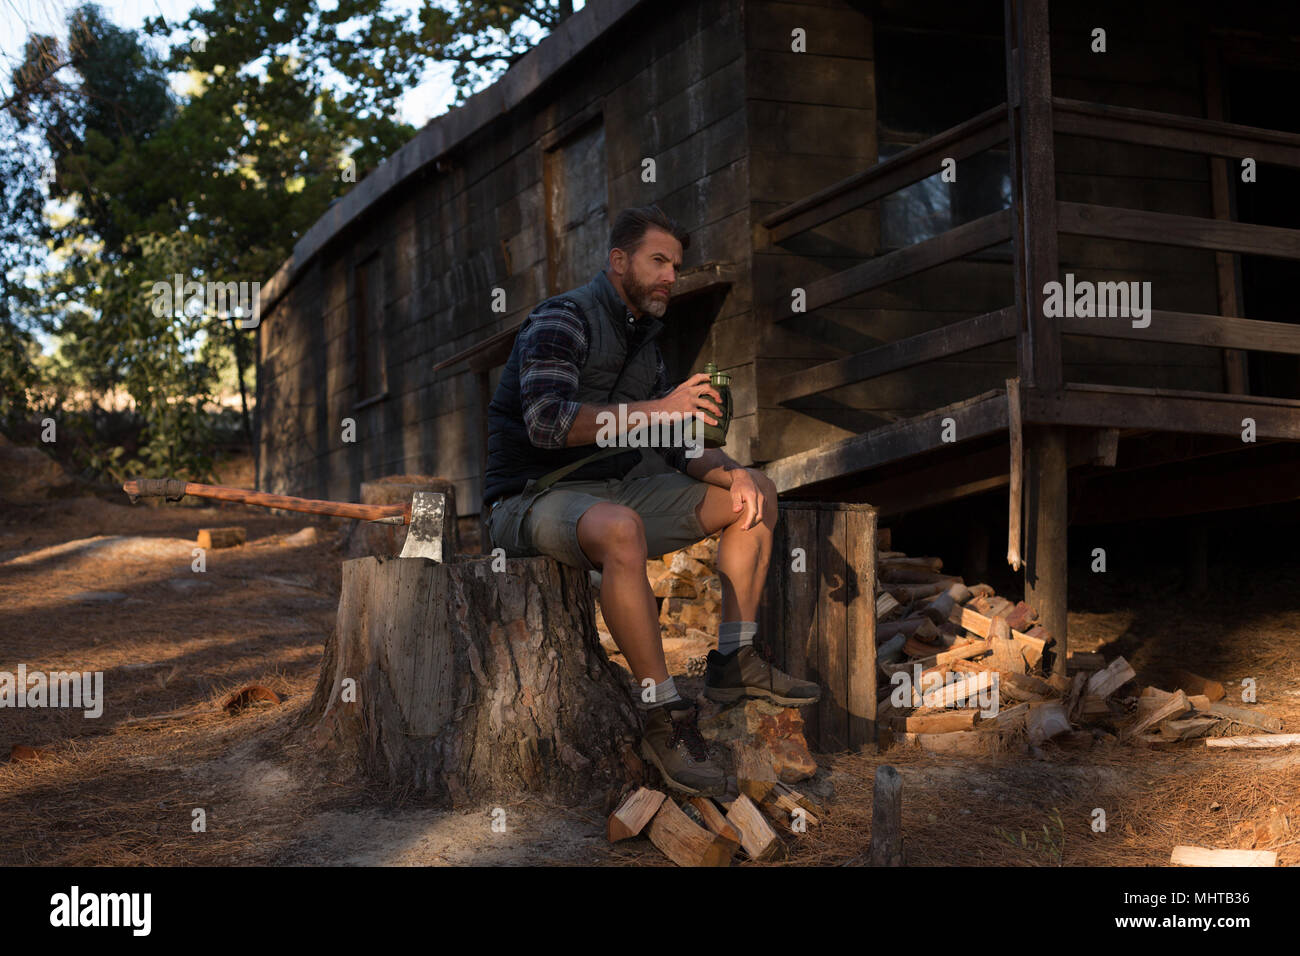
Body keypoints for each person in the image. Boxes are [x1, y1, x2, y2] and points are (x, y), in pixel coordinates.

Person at [484, 205, 819, 797]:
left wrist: (735, 473)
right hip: (531, 496)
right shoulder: (562, 320)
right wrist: (661, 409)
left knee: (754, 496)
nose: (671, 275)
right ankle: (661, 712)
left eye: (676, 265)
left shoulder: (647, 340)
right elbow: (546, 424)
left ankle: (732, 664)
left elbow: (673, 443)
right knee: (621, 528)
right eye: (658, 261)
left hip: (615, 490)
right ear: (619, 261)